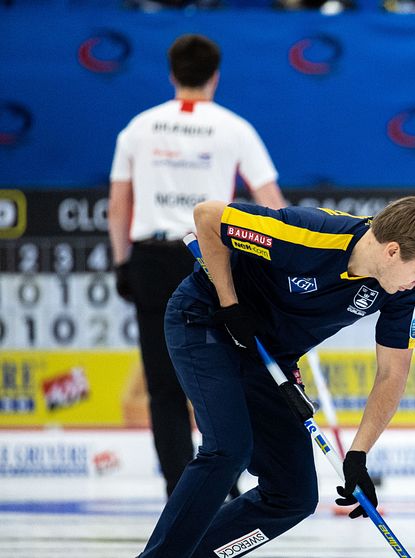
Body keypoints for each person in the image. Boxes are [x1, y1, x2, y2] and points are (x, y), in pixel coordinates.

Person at [136, 196, 415, 557]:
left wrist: (358, 454)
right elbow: (208, 217)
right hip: (208, 321)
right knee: (229, 449)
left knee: (293, 496)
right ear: (392, 251)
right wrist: (230, 304)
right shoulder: (310, 235)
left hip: (270, 355)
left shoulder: (405, 293)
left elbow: (392, 372)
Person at [108, 33, 287, 499]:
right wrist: (288, 260)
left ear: (172, 74)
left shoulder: (138, 127)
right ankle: (226, 480)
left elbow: (118, 204)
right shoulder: (234, 128)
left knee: (163, 383)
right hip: (210, 260)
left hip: (151, 257)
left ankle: (179, 489)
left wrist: (121, 263)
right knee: (222, 373)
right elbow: (272, 203)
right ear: (215, 76)